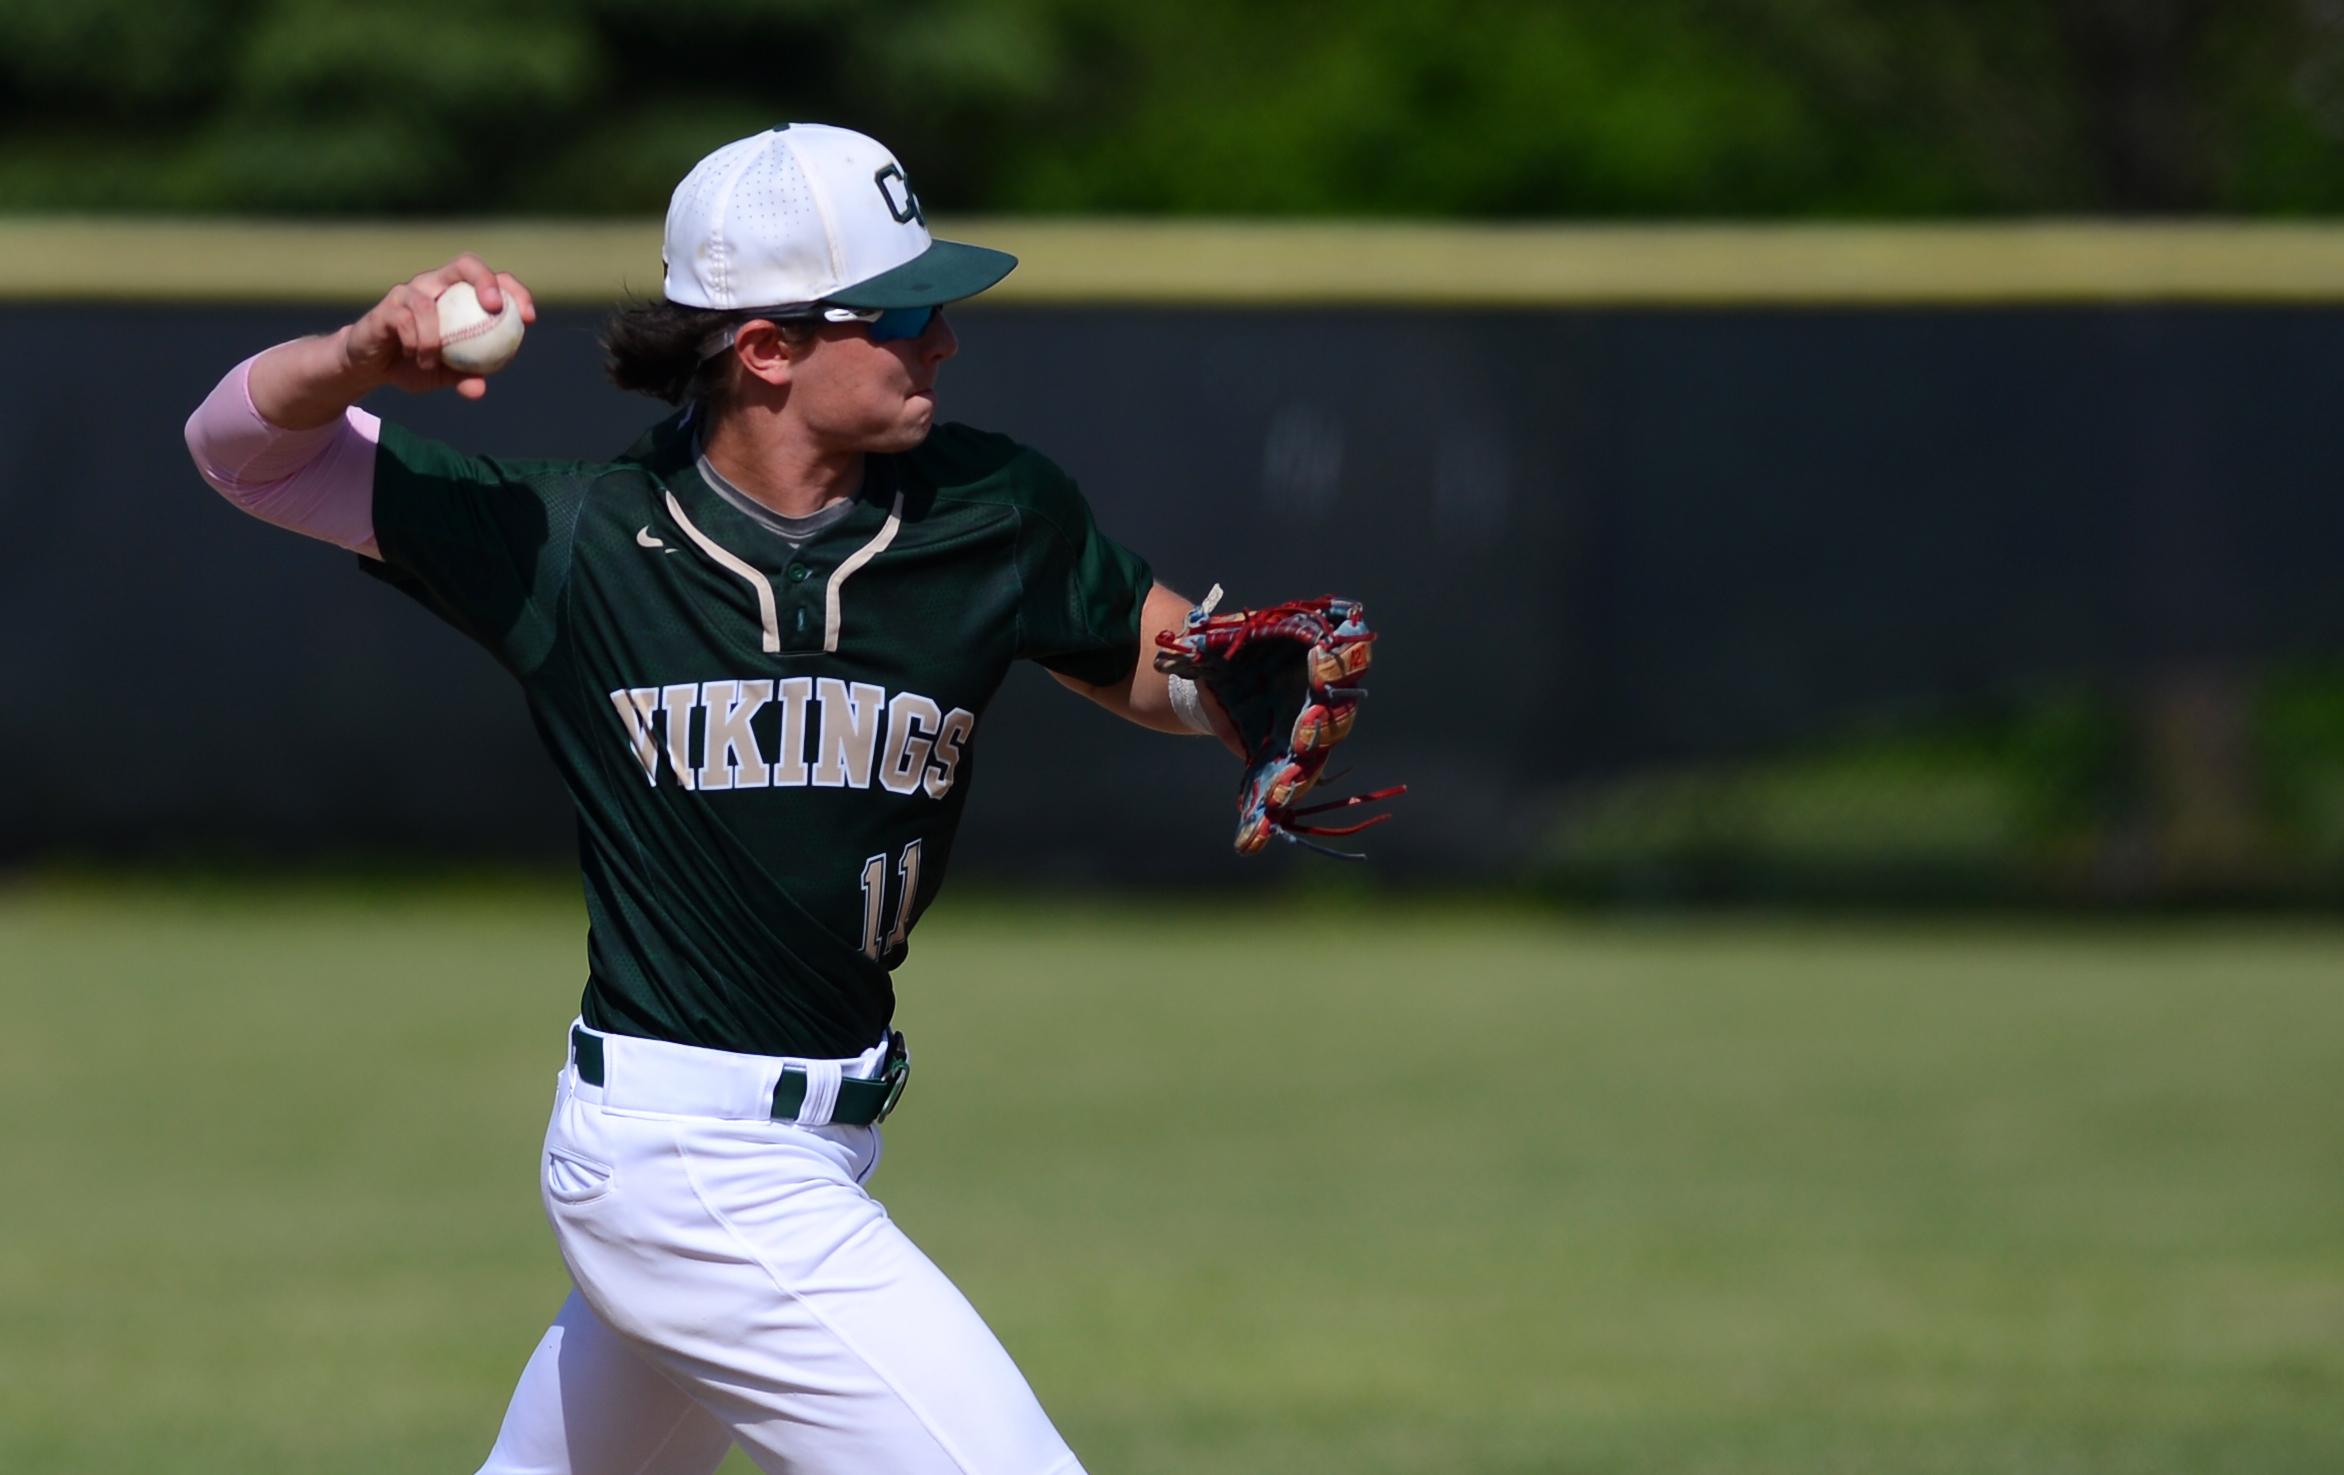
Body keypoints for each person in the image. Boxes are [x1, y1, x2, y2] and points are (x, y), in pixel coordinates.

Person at [184, 123, 1239, 1475]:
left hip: (813, 1148)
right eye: (905, 310)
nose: (943, 341)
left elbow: (1156, 662)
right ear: (767, 347)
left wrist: (1241, 693)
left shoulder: (990, 507)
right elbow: (240, 454)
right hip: (689, 1167)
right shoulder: (573, 541)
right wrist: (354, 362)